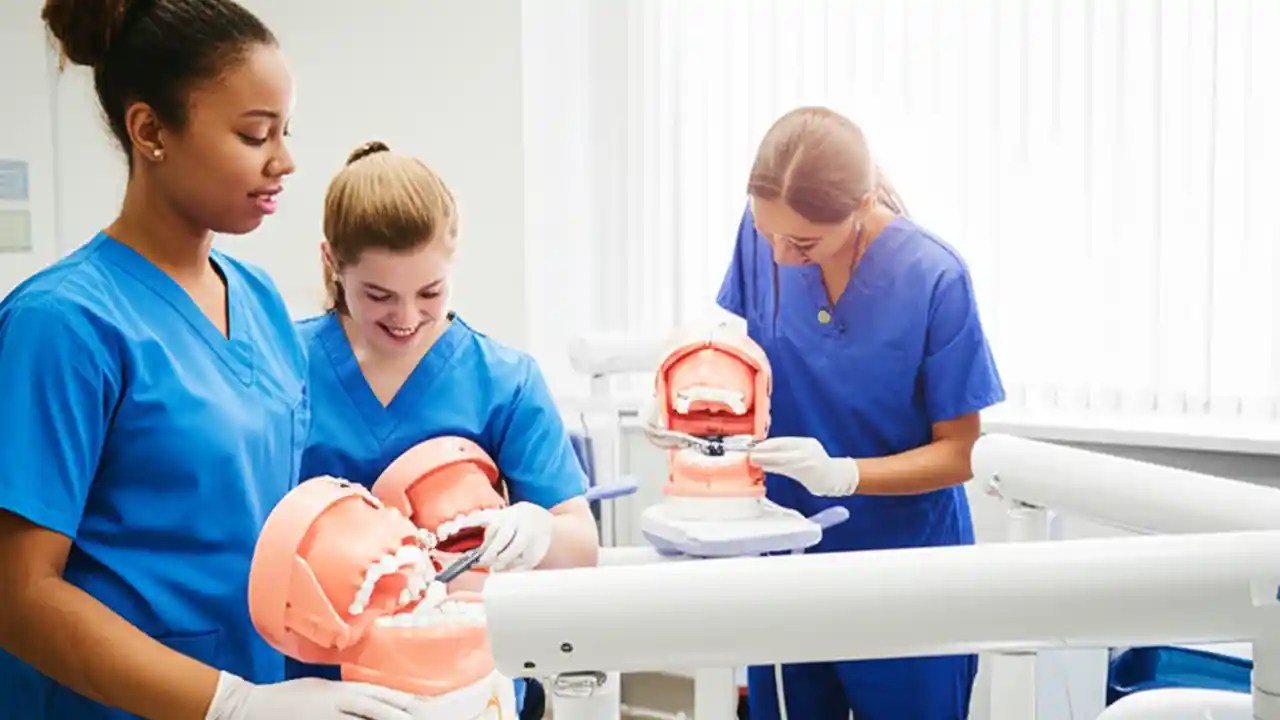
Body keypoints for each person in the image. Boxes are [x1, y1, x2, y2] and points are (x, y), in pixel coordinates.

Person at [0, 2, 428, 719]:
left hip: (262, 685)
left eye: (284, 132)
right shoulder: (63, 324)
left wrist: (389, 564)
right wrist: (228, 704)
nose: (285, 161)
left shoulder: (257, 299)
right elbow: (19, 595)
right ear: (149, 131)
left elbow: (257, 515)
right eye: (253, 133)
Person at [670, 106, 1005, 718]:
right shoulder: (766, 236)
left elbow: (961, 452)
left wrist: (847, 474)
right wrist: (691, 387)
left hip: (904, 569)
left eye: (802, 242)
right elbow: (756, 367)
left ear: (863, 205)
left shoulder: (934, 277)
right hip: (787, 553)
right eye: (766, 231)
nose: (779, 256)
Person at [289, 141, 600, 698]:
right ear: (331, 265)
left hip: (468, 687)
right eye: (379, 295)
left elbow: (580, 544)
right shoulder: (282, 368)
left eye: (430, 291)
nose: (407, 318)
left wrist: (539, 530)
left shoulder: (505, 379)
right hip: (323, 692)